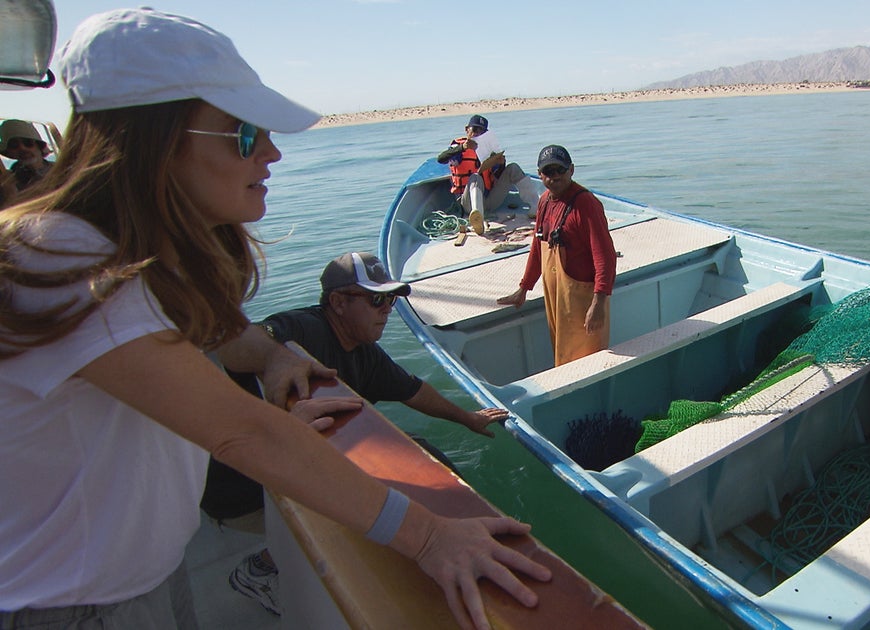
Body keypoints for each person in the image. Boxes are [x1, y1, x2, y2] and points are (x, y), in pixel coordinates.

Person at [0, 9, 549, 630]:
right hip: (65, 602)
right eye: (243, 134)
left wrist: (271, 356)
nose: (271, 152)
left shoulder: (117, 251)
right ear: (153, 141)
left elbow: (210, 333)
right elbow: (244, 435)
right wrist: (427, 538)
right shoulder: (63, 261)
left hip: (128, 574)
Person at [208, 251, 510, 614]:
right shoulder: (303, 330)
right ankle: (262, 569)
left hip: (284, 470)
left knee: (422, 453)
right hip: (242, 488)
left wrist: (468, 418)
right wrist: (276, 359)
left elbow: (414, 391)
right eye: (376, 299)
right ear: (337, 302)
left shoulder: (365, 353)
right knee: (381, 493)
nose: (387, 309)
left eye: (392, 299)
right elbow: (241, 342)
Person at [497, 145, 617, 366]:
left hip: (583, 299)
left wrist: (598, 303)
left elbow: (606, 258)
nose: (555, 177)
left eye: (560, 170)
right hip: (555, 297)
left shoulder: (586, 204)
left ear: (571, 170)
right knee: (563, 356)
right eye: (548, 172)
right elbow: (538, 248)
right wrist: (524, 288)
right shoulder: (544, 201)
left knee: (587, 361)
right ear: (540, 174)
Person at [436, 114, 540, 236]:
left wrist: (500, 163)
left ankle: (536, 207)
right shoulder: (458, 148)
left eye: (481, 131)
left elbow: (498, 175)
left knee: (513, 168)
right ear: (466, 130)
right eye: (474, 129)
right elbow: (441, 159)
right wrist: (462, 148)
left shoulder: (487, 149)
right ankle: (477, 218)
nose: (477, 134)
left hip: (489, 201)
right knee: (475, 177)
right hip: (468, 203)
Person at [0, 119, 54, 202]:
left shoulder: (62, 170)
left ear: (39, 146)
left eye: (27, 143)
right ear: (9, 152)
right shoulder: (7, 182)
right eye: (14, 145)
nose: (22, 148)